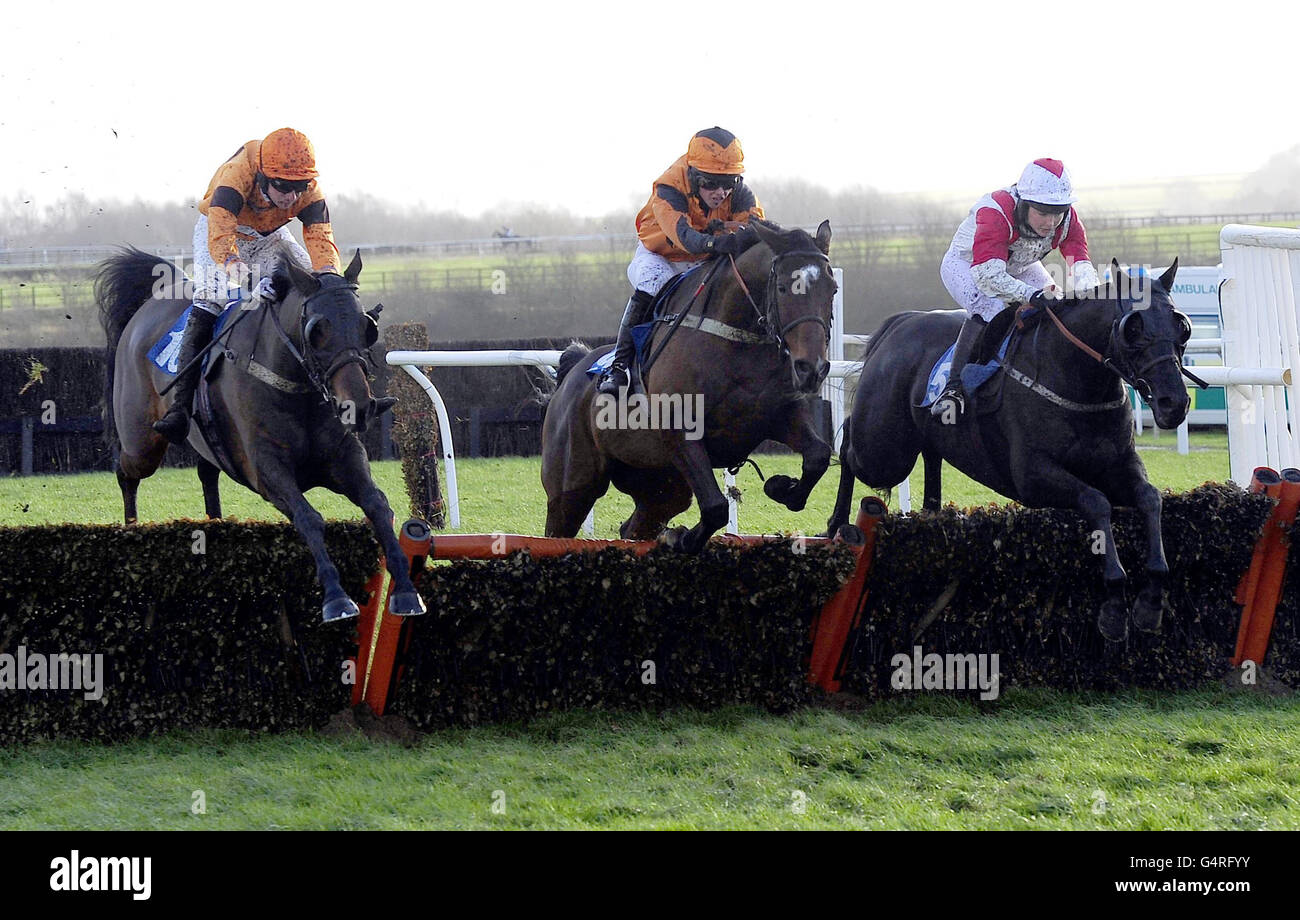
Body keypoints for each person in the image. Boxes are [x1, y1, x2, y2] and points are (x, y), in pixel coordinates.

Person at [152, 127, 342, 444]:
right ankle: (180, 409)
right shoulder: (236, 175)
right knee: (212, 295)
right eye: (284, 187)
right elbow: (222, 244)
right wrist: (249, 280)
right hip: (220, 231)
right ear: (263, 177)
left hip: (270, 238)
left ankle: (330, 394)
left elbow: (322, 243)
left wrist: (330, 281)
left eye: (299, 187)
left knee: (310, 284)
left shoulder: (309, 190)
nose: (292, 197)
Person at [597, 126, 764, 396]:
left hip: (702, 259)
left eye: (728, 182)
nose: (720, 192)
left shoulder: (741, 194)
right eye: (711, 182)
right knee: (653, 283)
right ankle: (619, 367)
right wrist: (720, 242)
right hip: (661, 255)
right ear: (694, 175)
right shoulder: (669, 188)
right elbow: (686, 237)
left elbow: (758, 229)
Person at [930, 157, 1100, 419]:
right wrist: (1029, 295)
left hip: (1019, 266)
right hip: (969, 266)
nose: (1050, 222)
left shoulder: (1067, 220)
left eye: (1057, 212)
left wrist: (1094, 297)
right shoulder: (996, 210)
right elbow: (988, 276)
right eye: (1042, 213)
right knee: (993, 308)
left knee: (1057, 306)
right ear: (1023, 203)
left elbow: (1080, 264)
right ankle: (953, 389)